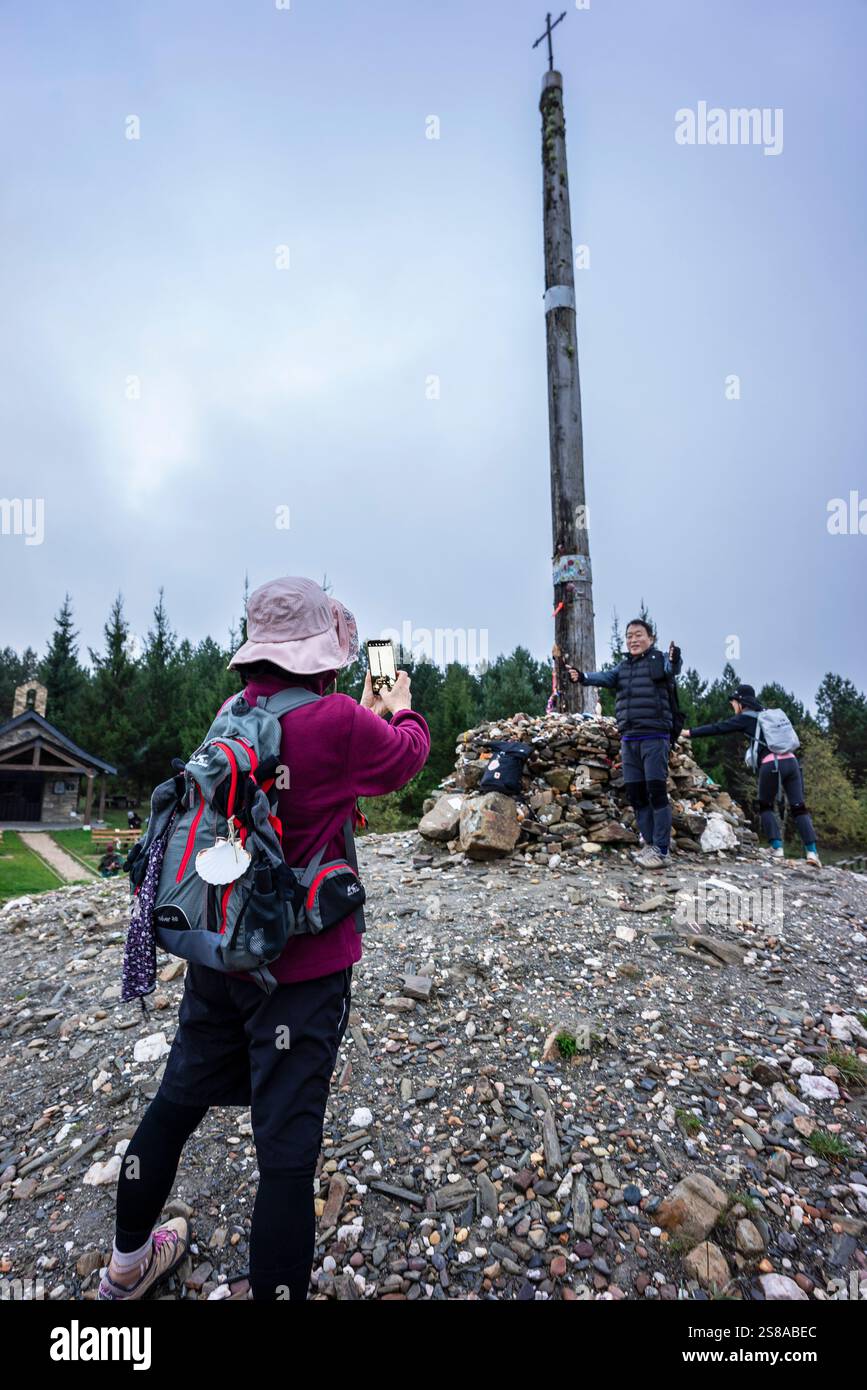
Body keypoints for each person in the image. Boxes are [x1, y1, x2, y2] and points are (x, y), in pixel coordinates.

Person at [99, 576, 430, 1302]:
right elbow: (405, 758)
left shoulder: (230, 713)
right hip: (303, 970)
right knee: (286, 1152)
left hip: (222, 948)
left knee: (174, 1104)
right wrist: (398, 709)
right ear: (323, 653)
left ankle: (124, 1270)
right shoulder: (341, 721)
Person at [566, 618, 682, 869]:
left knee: (657, 792)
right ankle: (649, 845)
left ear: (650, 638)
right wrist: (582, 676)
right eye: (629, 636)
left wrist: (674, 659)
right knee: (638, 795)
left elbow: (672, 668)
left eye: (638, 635)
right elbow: (605, 677)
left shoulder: (659, 660)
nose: (633, 640)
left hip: (654, 736)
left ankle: (661, 851)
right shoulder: (623, 667)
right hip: (629, 739)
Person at [683, 683, 820, 868]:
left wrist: (689, 732)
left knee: (765, 805)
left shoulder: (746, 718)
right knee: (799, 807)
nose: (732, 707)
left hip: (771, 764)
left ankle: (776, 848)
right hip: (792, 762)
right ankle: (812, 853)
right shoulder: (769, 714)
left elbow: (719, 728)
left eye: (733, 703)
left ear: (740, 702)